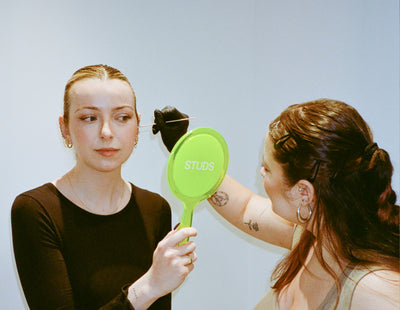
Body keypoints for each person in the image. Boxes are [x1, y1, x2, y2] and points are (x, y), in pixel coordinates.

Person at [153, 99, 400, 310]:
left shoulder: (376, 292)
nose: (261, 173)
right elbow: (245, 208)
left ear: (303, 192)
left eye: (268, 169)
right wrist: (185, 148)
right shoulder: (312, 234)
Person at [11, 64, 197, 310]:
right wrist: (150, 285)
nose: (107, 132)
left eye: (122, 117)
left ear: (137, 126)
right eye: (89, 118)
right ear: (64, 127)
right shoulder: (36, 210)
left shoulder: (155, 209)